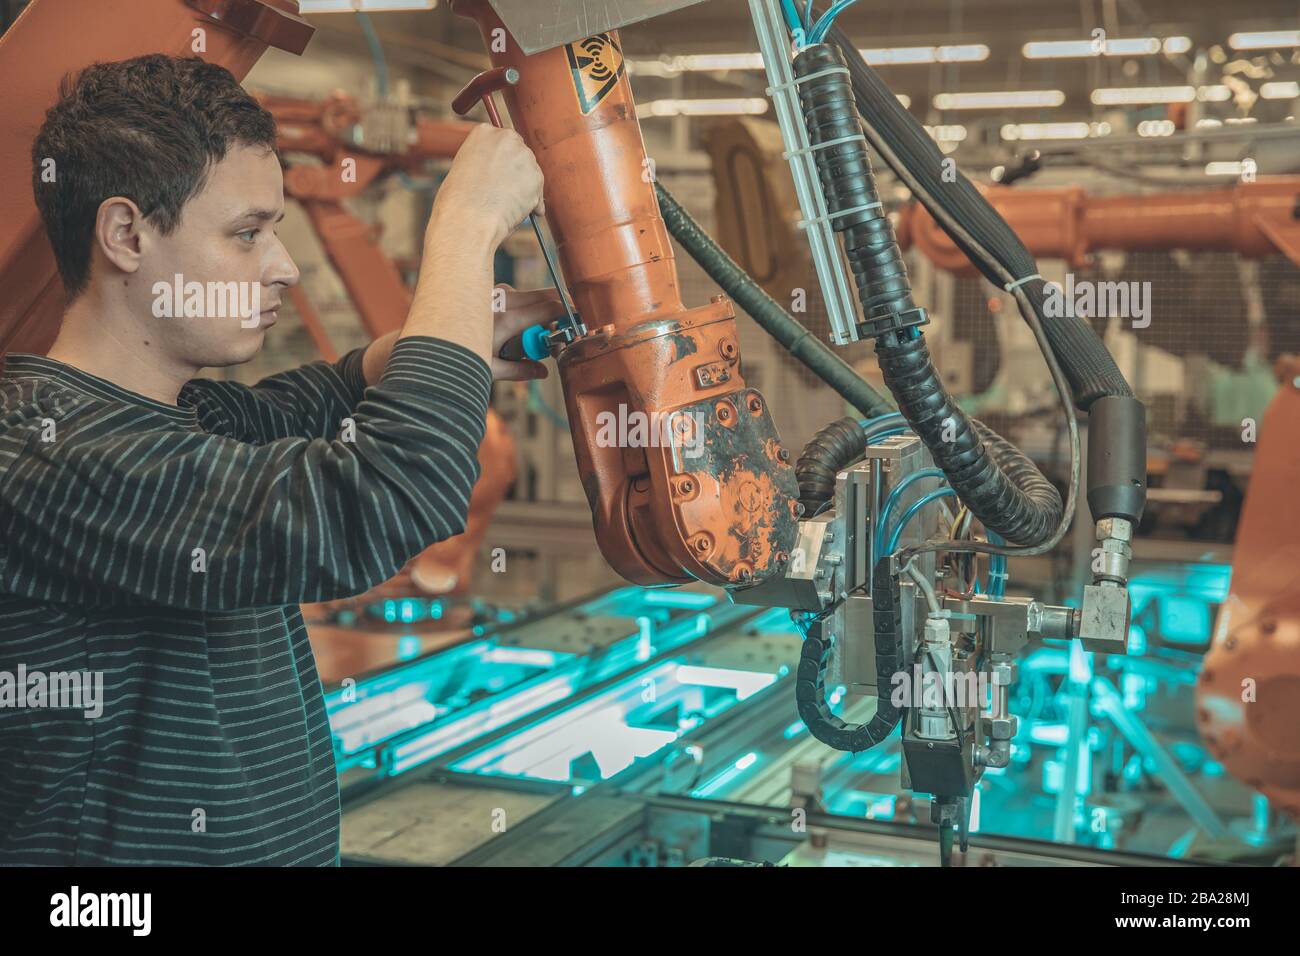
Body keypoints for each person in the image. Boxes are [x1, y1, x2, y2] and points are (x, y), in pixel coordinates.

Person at [0, 53, 558, 865]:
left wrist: (442, 340)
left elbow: (302, 401)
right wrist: (464, 231)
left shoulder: (172, 417)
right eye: (246, 233)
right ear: (126, 235)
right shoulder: (48, 450)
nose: (283, 266)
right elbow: (387, 498)